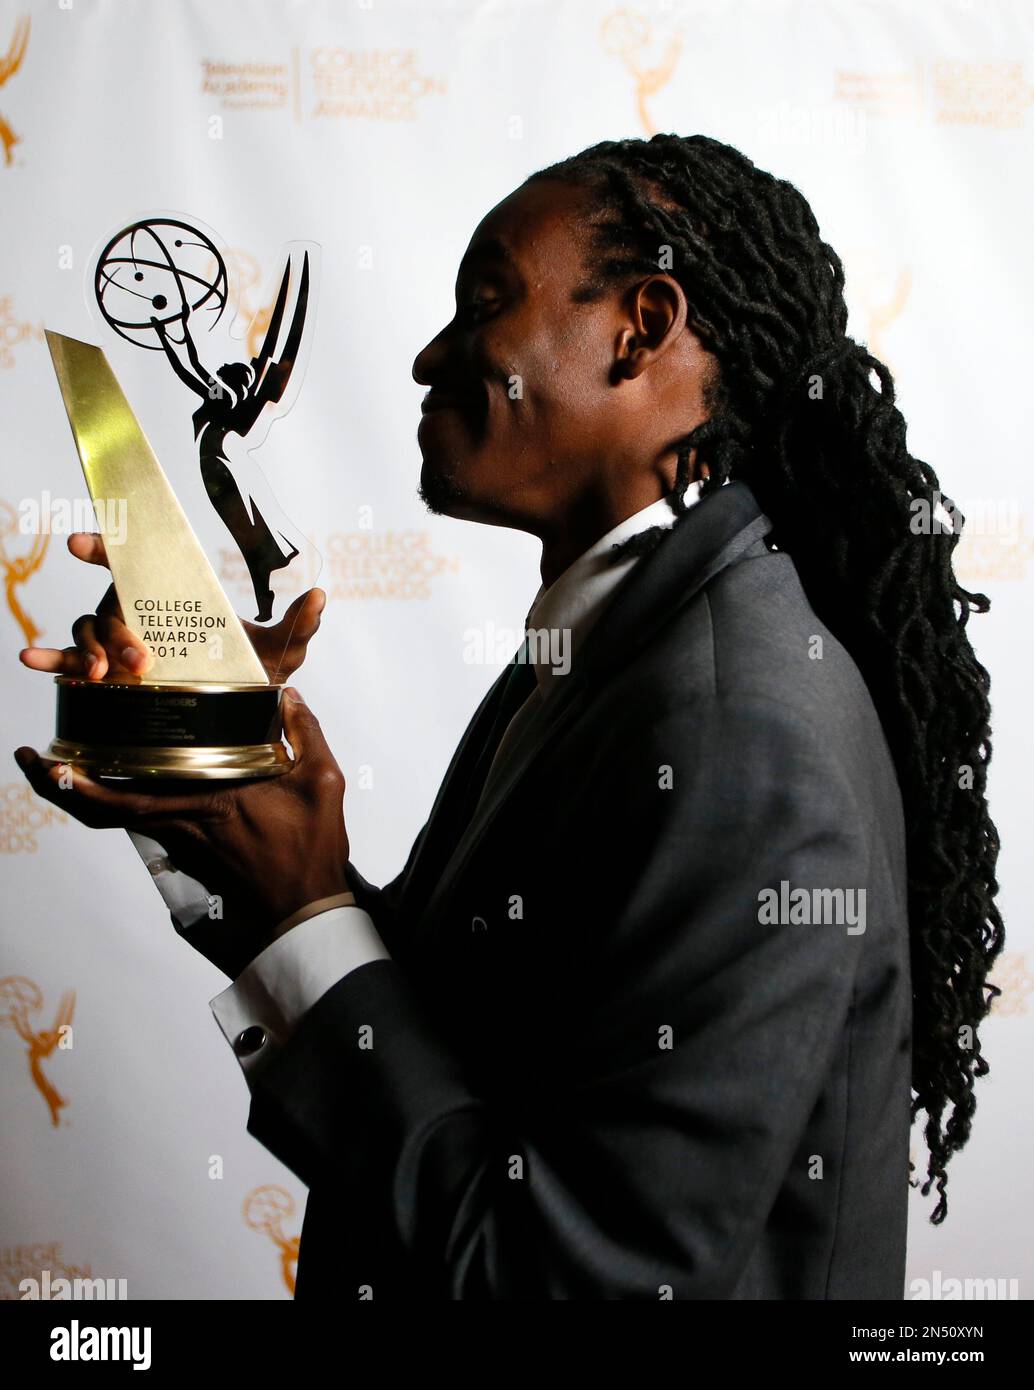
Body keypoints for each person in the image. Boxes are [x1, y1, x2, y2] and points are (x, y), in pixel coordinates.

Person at [16, 133, 1004, 1300]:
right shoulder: (614, 645)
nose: (431, 353)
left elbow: (575, 1277)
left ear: (641, 325)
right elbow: (478, 1046)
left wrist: (305, 908)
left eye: (484, 302)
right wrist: (217, 786)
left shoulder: (740, 730)